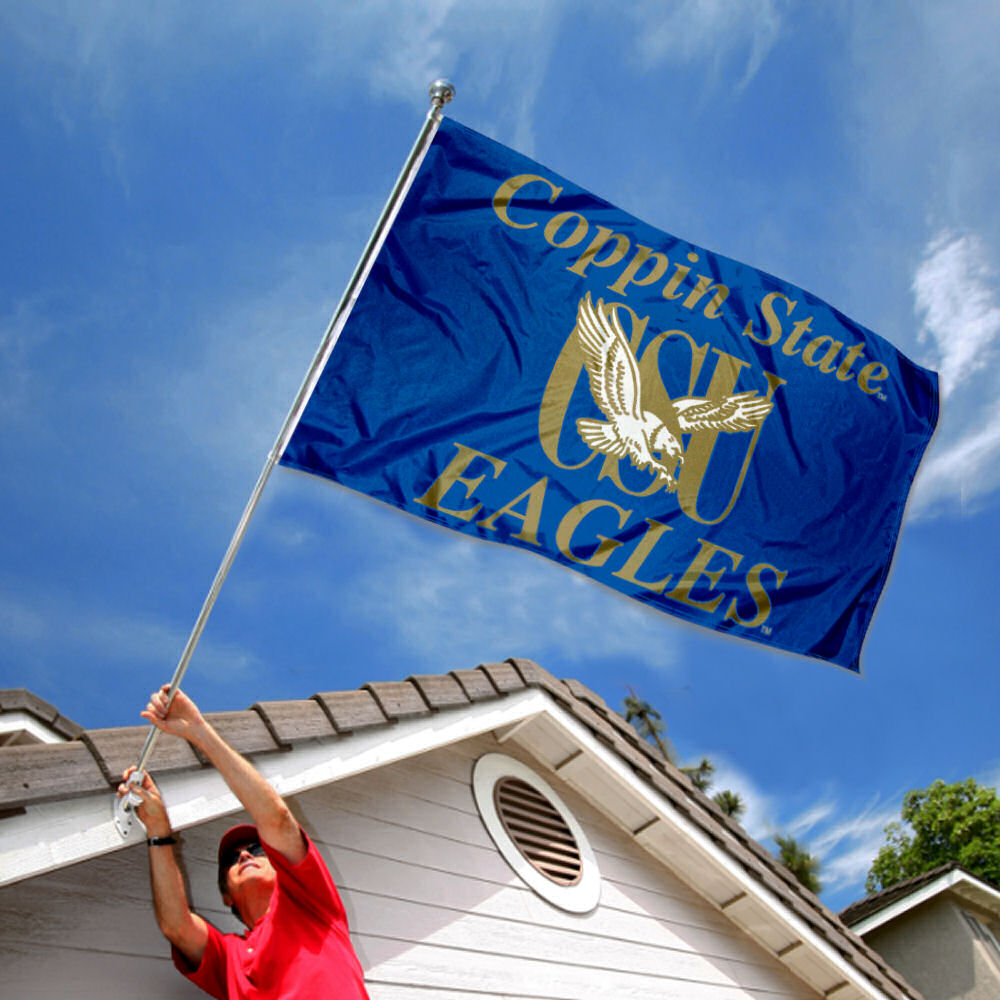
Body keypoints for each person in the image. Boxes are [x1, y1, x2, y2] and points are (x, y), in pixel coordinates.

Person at [117, 685, 370, 1000]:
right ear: (226, 897)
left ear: (282, 870)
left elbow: (276, 818)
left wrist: (198, 730)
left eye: (256, 850)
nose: (243, 857)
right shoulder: (228, 957)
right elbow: (176, 927)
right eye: (231, 861)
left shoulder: (311, 904)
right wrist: (157, 828)